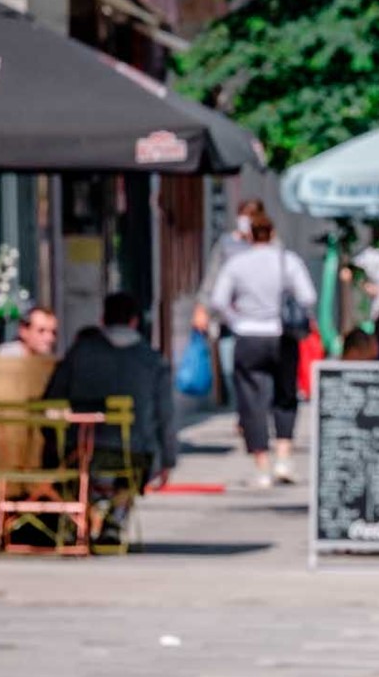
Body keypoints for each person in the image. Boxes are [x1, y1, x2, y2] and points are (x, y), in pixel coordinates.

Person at [44, 293, 176, 543]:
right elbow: (165, 414)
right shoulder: (153, 360)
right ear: (135, 321)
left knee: (77, 463)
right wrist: (168, 459)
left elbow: (52, 396)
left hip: (80, 449)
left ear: (103, 319)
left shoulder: (80, 353)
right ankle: (114, 520)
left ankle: (78, 519)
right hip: (133, 452)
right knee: (130, 467)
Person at [209, 210, 315, 489]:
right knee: (285, 395)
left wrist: (237, 319)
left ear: (249, 235)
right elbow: (307, 296)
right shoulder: (287, 260)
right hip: (281, 335)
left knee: (251, 401)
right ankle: (283, 457)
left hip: (248, 336)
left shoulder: (237, 263)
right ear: (273, 233)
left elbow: (218, 300)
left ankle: (262, 466)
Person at [192, 198, 266, 405]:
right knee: (230, 368)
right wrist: (202, 307)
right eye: (243, 215)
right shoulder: (226, 244)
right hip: (229, 320)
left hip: (261, 320)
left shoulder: (268, 245)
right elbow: (212, 278)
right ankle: (242, 409)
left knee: (257, 371)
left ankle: (253, 408)